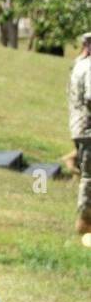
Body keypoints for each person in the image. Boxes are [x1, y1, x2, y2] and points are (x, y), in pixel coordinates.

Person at [69, 31, 91, 246]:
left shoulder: (78, 64)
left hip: (79, 127)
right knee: (89, 178)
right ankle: (85, 224)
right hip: (88, 130)